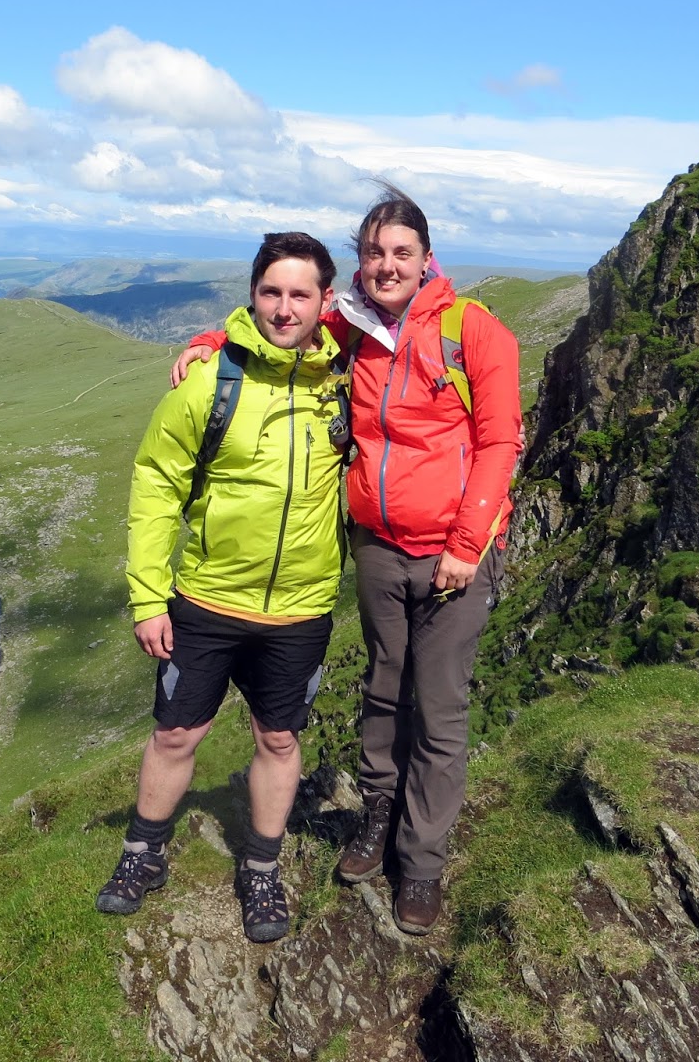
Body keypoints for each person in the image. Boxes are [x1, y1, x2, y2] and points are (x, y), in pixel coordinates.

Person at [173, 187, 522, 933]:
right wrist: (212, 343)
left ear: (427, 258)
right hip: (376, 548)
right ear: (359, 267)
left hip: (453, 558)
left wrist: (465, 549)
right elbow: (278, 322)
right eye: (373, 253)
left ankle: (420, 865)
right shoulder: (353, 326)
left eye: (401, 252)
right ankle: (376, 820)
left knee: (440, 710)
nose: (387, 265)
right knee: (383, 692)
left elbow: (499, 444)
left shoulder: (475, 333)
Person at [97, 232, 350, 944]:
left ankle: (261, 869)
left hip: (301, 607)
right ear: (252, 294)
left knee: (278, 738)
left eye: (300, 294)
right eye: (271, 292)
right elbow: (155, 484)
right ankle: (141, 855)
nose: (283, 307)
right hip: (207, 601)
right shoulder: (212, 380)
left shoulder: (347, 376)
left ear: (325, 302)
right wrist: (149, 596)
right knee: (177, 731)